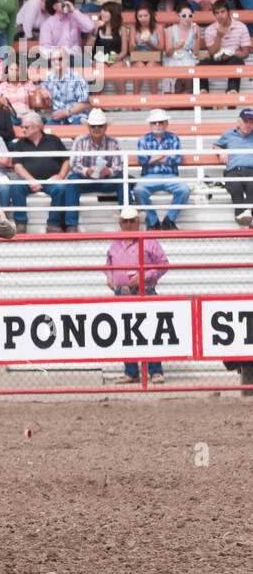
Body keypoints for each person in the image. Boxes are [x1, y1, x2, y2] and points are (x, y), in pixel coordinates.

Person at [105, 205, 168, 383]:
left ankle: (155, 371)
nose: (129, 225)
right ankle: (131, 371)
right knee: (126, 333)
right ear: (121, 224)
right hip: (122, 292)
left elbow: (163, 264)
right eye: (125, 221)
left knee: (150, 331)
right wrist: (109, 276)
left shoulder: (149, 241)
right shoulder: (115, 243)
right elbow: (108, 264)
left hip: (144, 291)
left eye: (132, 221)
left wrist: (146, 275)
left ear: (138, 222)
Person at [8, 112, 72, 233]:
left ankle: (53, 224)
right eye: (22, 127)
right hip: (28, 181)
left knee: (62, 187)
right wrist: (31, 181)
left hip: (51, 181)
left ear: (37, 127)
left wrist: (61, 176)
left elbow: (66, 161)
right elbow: (17, 166)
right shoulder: (20, 144)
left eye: (26, 127)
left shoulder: (53, 140)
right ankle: (20, 223)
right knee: (17, 185)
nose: (22, 130)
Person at [64, 107, 124, 230]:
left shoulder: (114, 142)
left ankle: (126, 219)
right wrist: (87, 171)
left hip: (105, 180)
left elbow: (119, 166)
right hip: (86, 180)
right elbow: (74, 164)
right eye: (93, 126)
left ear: (105, 127)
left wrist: (108, 171)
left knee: (122, 179)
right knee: (72, 180)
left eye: (100, 126)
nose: (96, 129)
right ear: (89, 127)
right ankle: (71, 224)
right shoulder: (80, 141)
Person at [133, 109, 189, 230]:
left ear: (166, 123)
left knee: (184, 190)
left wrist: (152, 158)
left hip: (171, 176)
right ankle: (153, 222)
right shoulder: (143, 139)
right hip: (149, 177)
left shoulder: (174, 138)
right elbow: (142, 160)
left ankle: (169, 219)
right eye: (154, 122)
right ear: (150, 124)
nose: (157, 125)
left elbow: (176, 159)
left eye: (160, 122)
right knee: (138, 190)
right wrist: (164, 154)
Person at [200, 0, 250, 94]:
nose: (220, 15)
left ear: (228, 12)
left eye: (223, 12)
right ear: (214, 15)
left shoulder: (241, 27)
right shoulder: (210, 30)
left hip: (234, 58)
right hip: (217, 59)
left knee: (237, 61)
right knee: (202, 64)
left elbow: (245, 53)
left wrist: (231, 54)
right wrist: (218, 36)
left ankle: (232, 90)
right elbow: (212, 53)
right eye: (217, 13)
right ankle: (204, 91)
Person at [215, 108, 253, 227]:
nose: (248, 124)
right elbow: (216, 146)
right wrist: (221, 152)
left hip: (251, 170)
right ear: (239, 121)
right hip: (233, 170)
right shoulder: (228, 134)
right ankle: (246, 214)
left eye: (251, 122)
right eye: (245, 121)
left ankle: (244, 214)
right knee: (235, 187)